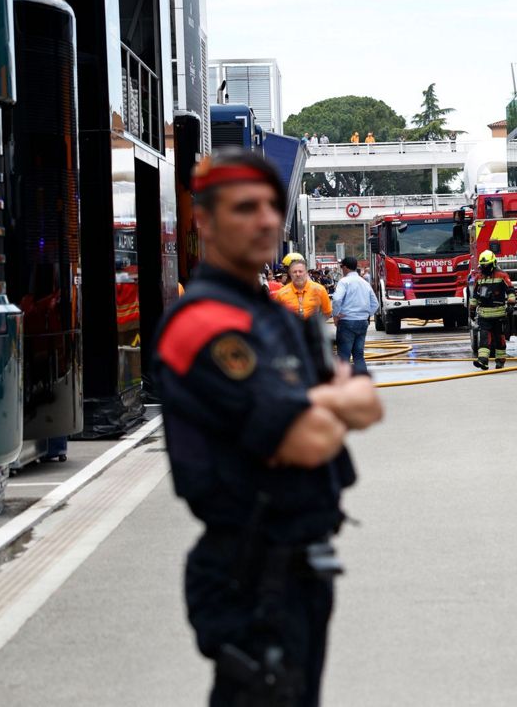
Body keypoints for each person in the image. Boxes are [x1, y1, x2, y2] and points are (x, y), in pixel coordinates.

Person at [152, 149, 383, 707]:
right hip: (251, 570)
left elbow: (368, 401)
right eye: (245, 207)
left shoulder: (274, 316)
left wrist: (313, 403)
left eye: (272, 207)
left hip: (303, 561)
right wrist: (328, 403)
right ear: (203, 222)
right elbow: (308, 437)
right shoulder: (202, 325)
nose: (265, 221)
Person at [331, 257, 379, 375]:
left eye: (341, 267)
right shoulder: (364, 282)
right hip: (362, 321)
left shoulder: (344, 281)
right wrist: (367, 315)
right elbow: (375, 304)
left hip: (347, 321)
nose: (341, 269)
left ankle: (344, 385)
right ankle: (363, 384)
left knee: (343, 357)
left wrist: (336, 314)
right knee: (359, 355)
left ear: (345, 267)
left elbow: (336, 299)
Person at [469, 250, 515, 370]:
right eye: (483, 265)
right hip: (484, 314)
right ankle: (483, 360)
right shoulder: (479, 277)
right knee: (484, 338)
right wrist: (472, 310)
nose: (485, 267)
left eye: (487, 265)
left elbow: (510, 290)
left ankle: (500, 361)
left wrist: (511, 304)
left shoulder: (502, 275)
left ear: (493, 263)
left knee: (499, 338)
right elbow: (475, 296)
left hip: (499, 314)